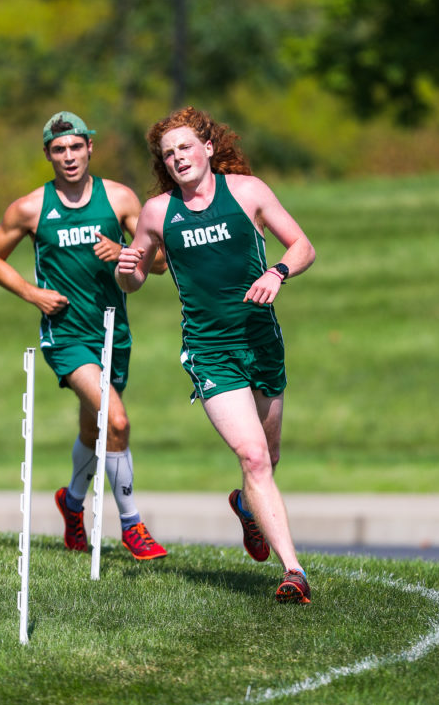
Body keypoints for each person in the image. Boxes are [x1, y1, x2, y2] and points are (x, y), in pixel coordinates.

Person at [115, 106, 316, 602]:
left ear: (208, 148)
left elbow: (301, 246)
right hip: (210, 349)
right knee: (252, 457)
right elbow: (136, 276)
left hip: (260, 340)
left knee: (268, 455)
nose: (178, 157)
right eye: (168, 154)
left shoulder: (247, 191)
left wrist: (277, 273)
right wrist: (125, 270)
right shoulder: (158, 212)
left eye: (186, 147)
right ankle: (294, 572)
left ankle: (248, 511)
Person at [0, 110, 167, 561]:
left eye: (76, 146)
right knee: (117, 422)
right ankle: (132, 524)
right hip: (65, 336)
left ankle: (72, 503)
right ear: (48, 155)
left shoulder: (119, 199)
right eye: (59, 149)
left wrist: (125, 252)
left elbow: (160, 261)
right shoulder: (30, 208)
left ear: (90, 148)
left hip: (112, 332)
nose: (69, 156)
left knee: (93, 427)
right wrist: (33, 293)